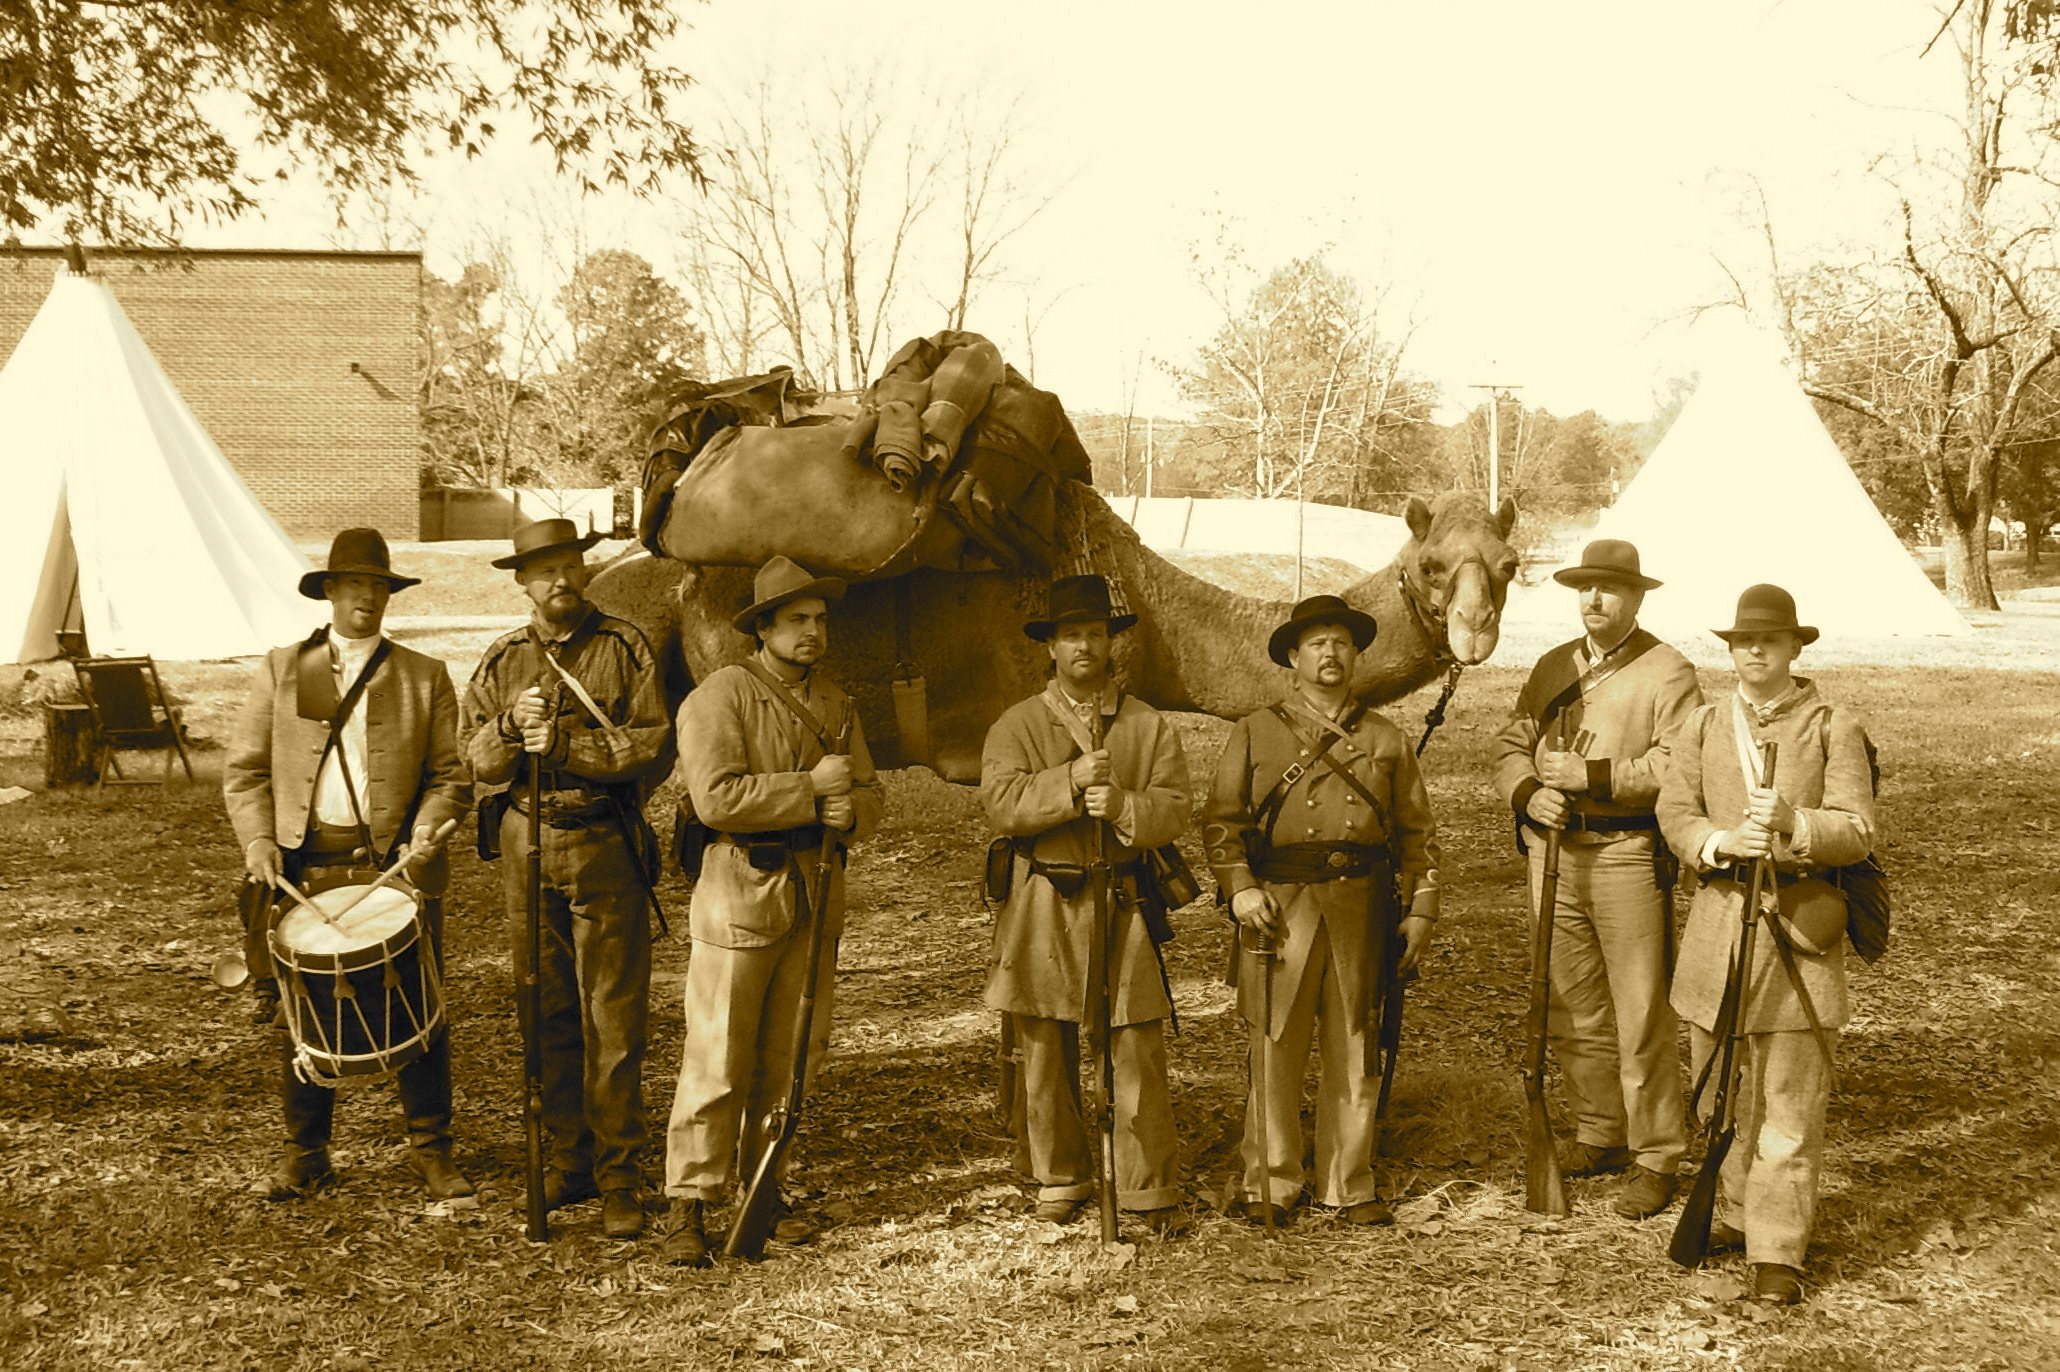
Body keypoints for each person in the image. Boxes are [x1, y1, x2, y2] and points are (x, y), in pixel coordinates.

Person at [224, 528, 473, 1202]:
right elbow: (245, 773)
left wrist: (427, 830)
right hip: (305, 870)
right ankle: (307, 1153)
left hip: (389, 869)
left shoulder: (423, 676)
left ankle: (432, 1148)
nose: (368, 596)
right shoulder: (286, 668)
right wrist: (258, 841)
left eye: (379, 585)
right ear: (330, 591)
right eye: (354, 583)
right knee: (302, 1018)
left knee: (419, 1007)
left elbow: (452, 776)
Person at [658, 556, 883, 1267]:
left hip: (817, 899)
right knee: (718, 1057)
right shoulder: (719, 697)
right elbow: (714, 798)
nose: (813, 632)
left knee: (792, 1061)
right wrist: (810, 790)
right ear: (763, 628)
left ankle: (765, 1188)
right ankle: (688, 1205)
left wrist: (852, 814)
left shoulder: (838, 704)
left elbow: (872, 795)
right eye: (797, 620)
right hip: (740, 893)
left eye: (820, 620)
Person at [1657, 585, 1876, 1306]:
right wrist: (1719, 841)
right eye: (1741, 641)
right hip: (1719, 932)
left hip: (1797, 937)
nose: (1753, 651)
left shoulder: (1832, 725)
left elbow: (1859, 828)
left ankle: (1777, 1250)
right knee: (1718, 1096)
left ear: (1795, 648)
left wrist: (1793, 823)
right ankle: (1731, 1213)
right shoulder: (1701, 723)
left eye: (1769, 641)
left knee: (1786, 1106)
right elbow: (1675, 812)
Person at [462, 518, 674, 1240]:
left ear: (584, 572)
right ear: (521, 581)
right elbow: (475, 762)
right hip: (526, 842)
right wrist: (507, 731)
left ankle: (620, 1175)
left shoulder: (624, 646)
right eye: (541, 570)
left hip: (601, 838)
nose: (558, 581)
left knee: (612, 1016)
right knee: (545, 1010)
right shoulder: (499, 663)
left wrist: (569, 746)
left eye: (567, 567)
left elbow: (650, 744)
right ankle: (569, 1159)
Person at [1201, 595, 1441, 1227]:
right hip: (1280, 905)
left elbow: (1417, 835)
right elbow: (1222, 823)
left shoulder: (1385, 737)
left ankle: (1348, 1181)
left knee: (1356, 1045)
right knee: (1273, 1044)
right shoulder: (1256, 730)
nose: (1329, 653)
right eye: (1316, 643)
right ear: (1292, 657)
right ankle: (1272, 1179)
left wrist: (1420, 912)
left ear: (1356, 655)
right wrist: (1240, 888)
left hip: (1361, 907)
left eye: (1341, 642)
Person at [1490, 538, 1702, 1220]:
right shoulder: (1555, 665)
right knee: (1571, 1006)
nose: (1594, 599)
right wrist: (1527, 793)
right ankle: (1599, 1132)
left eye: (1610, 588)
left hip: (1627, 855)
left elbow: (1679, 763)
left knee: (1641, 1011)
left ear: (1637, 598)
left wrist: (1595, 777)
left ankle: (1658, 1154)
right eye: (1585, 587)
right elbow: (1507, 743)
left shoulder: (1669, 671)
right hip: (1551, 853)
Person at [980, 574, 1191, 1235]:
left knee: (1135, 1039)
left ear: (1111, 645)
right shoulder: (1017, 724)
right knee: (1044, 1041)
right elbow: (1002, 804)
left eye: (1095, 634)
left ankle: (1146, 1185)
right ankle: (1061, 1174)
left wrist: (1128, 807)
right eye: (1070, 635)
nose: (1083, 647)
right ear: (1051, 646)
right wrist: (1068, 782)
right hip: (1044, 897)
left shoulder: (1145, 724)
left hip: (1122, 900)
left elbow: (1178, 807)